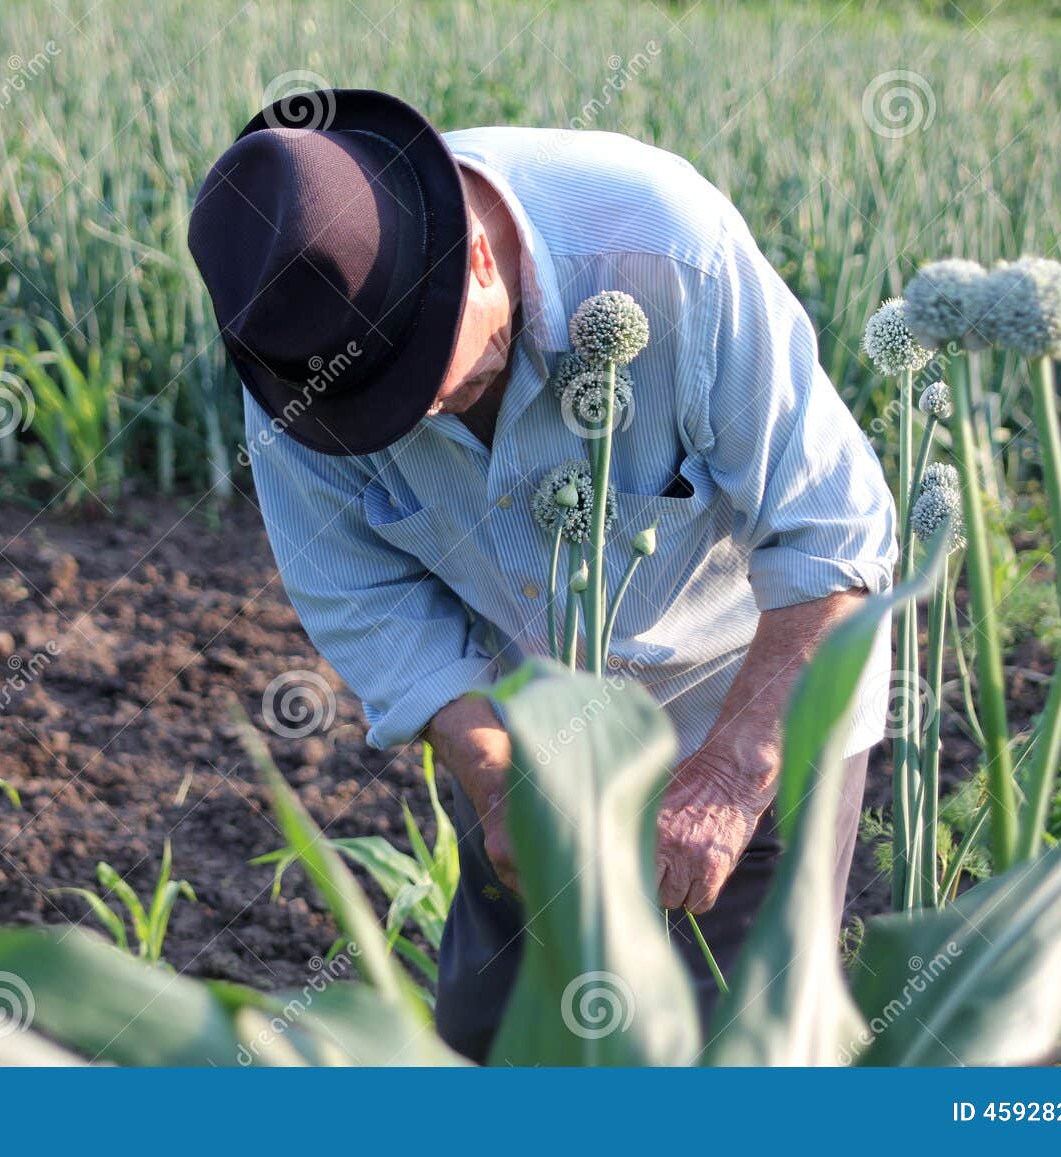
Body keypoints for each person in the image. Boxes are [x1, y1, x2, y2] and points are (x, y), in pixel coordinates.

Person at [188, 88, 895, 1061]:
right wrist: (494, 779)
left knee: (734, 1046)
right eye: (380, 414)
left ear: (478, 258)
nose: (423, 423)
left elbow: (832, 535)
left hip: (753, 691)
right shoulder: (293, 344)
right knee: (495, 1041)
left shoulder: (665, 251)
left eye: (437, 385)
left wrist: (729, 778)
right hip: (525, 724)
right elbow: (361, 595)